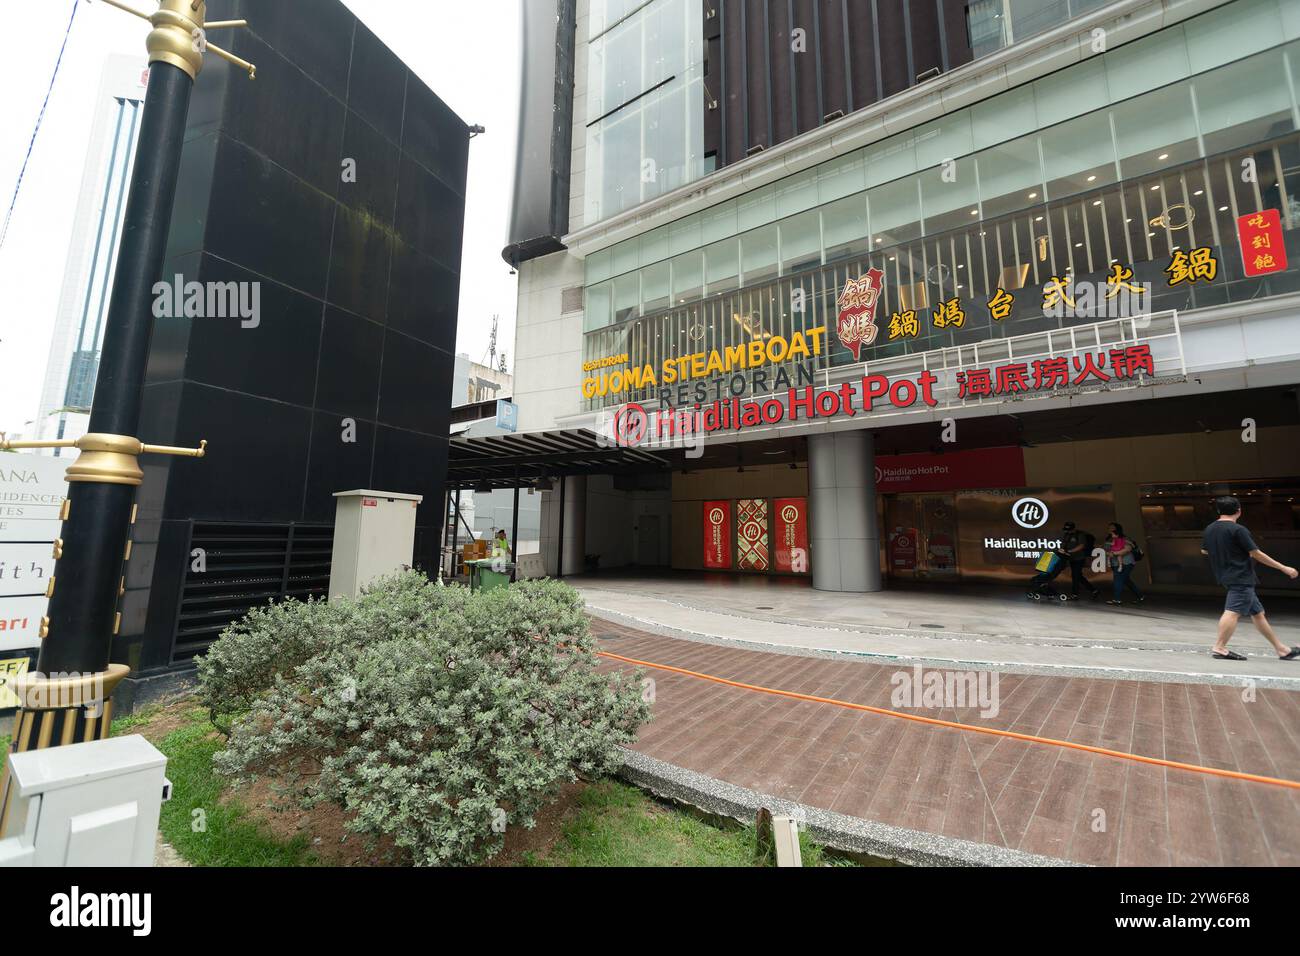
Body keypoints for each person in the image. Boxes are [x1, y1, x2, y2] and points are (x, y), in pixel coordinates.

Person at [1200, 495, 1299, 661]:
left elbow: (1205, 551)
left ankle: (1281, 649)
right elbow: (1256, 553)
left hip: (1226, 576)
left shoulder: (1210, 529)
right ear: (1239, 511)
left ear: (1219, 511)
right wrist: (1284, 568)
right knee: (1232, 612)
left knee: (1258, 613)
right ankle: (1219, 646)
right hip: (1240, 576)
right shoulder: (1238, 530)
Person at [1104, 522, 1144, 606]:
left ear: (1117, 529)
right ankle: (1140, 596)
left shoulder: (1124, 538)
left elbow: (1127, 549)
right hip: (1115, 563)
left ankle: (1117, 600)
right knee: (1126, 580)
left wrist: (1114, 553)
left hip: (1126, 562)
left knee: (1118, 579)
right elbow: (1107, 550)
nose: (1110, 529)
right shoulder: (1109, 539)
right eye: (1109, 527)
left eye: (1112, 527)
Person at [1059, 521, 1099, 600]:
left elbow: (1081, 546)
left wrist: (1070, 551)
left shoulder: (1080, 535)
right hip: (1071, 558)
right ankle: (1094, 590)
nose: (1067, 531)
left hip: (1079, 558)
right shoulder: (1066, 534)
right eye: (1066, 529)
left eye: (1069, 529)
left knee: (1075, 575)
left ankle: (1075, 594)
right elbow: (1063, 544)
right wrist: (1062, 550)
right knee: (1078, 576)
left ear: (1073, 528)